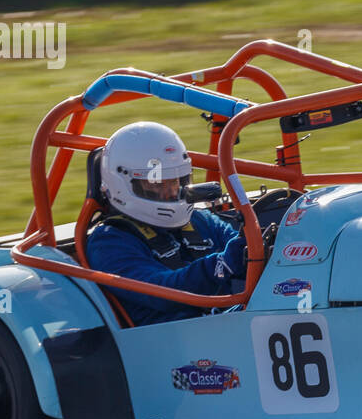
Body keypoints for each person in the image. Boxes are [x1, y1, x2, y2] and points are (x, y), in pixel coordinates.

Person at [86, 121, 247, 325]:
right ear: (122, 183)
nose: (171, 193)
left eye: (175, 181)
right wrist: (222, 264)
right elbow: (164, 293)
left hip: (226, 326)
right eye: (157, 183)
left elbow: (242, 247)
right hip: (171, 346)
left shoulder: (199, 220)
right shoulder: (109, 243)